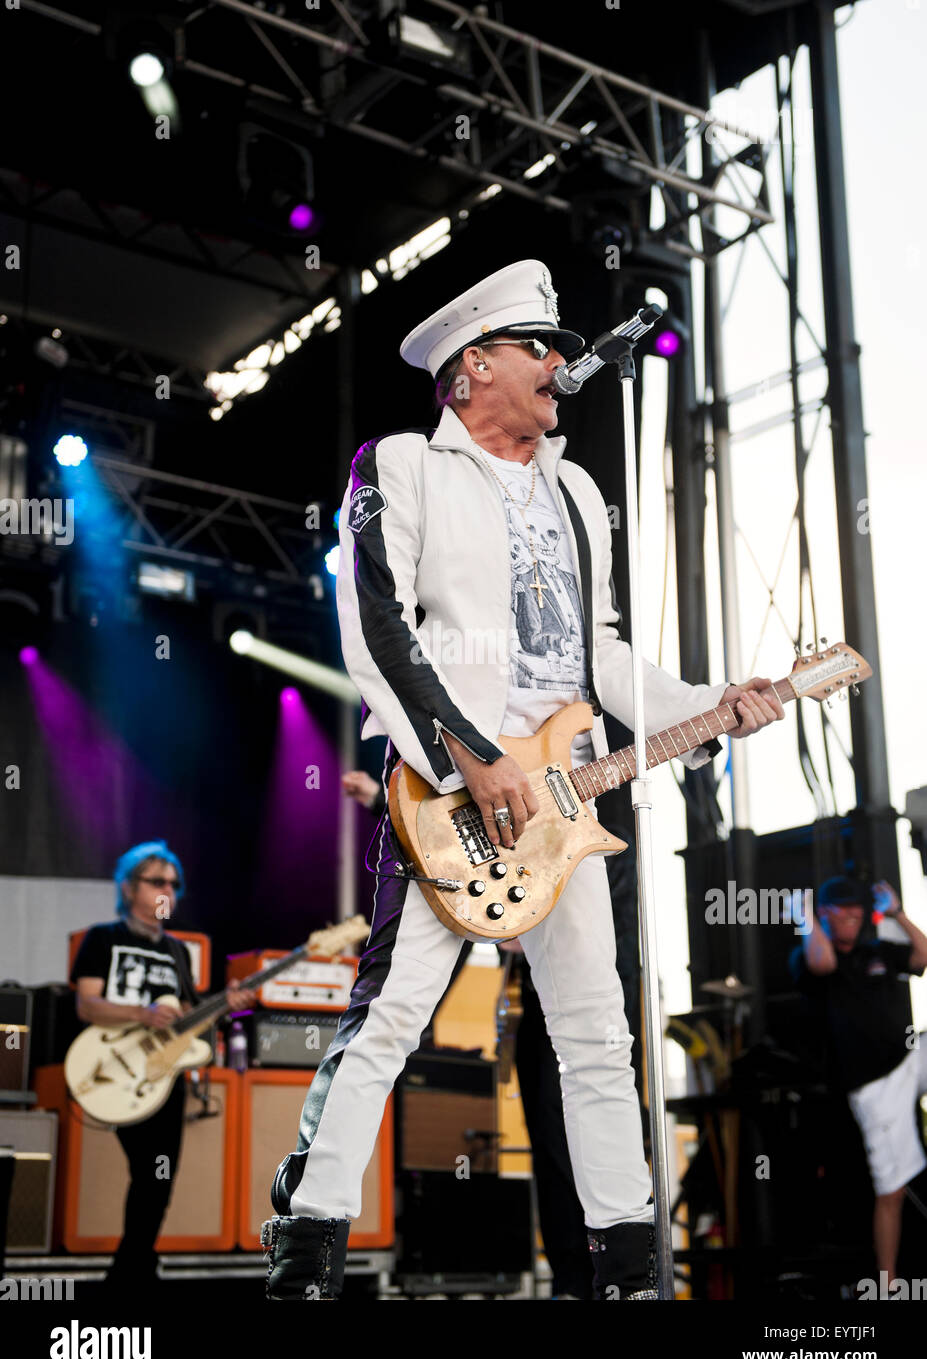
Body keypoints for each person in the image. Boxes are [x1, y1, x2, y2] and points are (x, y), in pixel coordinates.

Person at [264, 259, 783, 1301]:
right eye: (534, 345)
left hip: (563, 797)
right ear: (470, 371)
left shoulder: (580, 490)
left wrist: (710, 701)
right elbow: (376, 629)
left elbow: (601, 654)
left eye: (556, 345)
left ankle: (629, 1262)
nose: (557, 362)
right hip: (450, 793)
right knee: (396, 1012)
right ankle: (309, 1239)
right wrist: (468, 749)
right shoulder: (399, 464)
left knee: (596, 1029)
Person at [70, 839, 255, 1289]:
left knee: (159, 1177)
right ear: (130, 887)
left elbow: (188, 1020)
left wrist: (227, 1004)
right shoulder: (103, 938)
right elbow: (88, 1006)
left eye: (173, 884)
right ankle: (134, 1270)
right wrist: (142, 1014)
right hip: (112, 1063)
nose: (166, 891)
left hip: (160, 1076)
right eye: (156, 882)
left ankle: (132, 1268)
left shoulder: (177, 953)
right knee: (149, 1174)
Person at [794, 875, 927, 1287]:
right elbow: (822, 963)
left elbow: (923, 958)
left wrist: (898, 913)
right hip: (873, 1086)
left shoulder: (879, 951)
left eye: (856, 913)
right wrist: (805, 920)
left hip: (909, 1058)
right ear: (826, 915)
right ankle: (887, 1287)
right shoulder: (811, 956)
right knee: (891, 1192)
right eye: (841, 913)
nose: (851, 921)